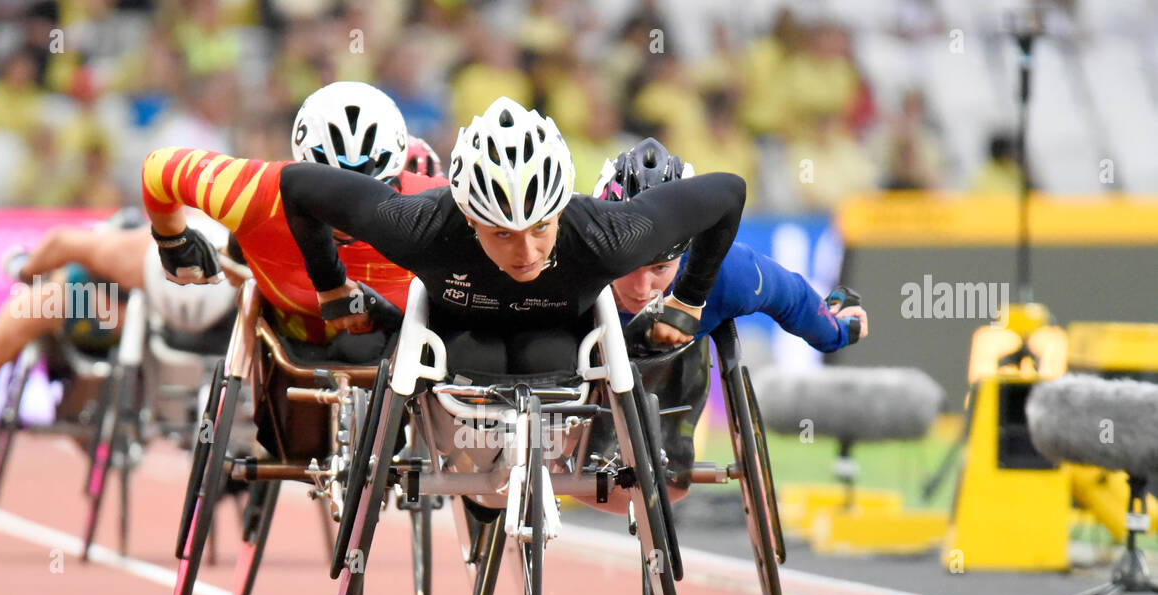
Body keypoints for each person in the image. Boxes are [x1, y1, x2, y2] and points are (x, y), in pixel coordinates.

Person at [162, 96, 746, 378]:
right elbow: (297, 186)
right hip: (459, 339)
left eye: (540, 229)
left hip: (559, 340)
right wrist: (331, 288)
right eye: (500, 233)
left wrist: (690, 297)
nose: (525, 253)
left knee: (548, 355)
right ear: (467, 217)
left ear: (563, 209)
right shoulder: (418, 223)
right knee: (451, 353)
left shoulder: (611, 236)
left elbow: (728, 191)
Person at [141, 81, 446, 363]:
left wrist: (173, 240)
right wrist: (173, 242)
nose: (350, 217)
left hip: (400, 356)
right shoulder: (256, 192)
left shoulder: (437, 202)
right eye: (330, 202)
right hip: (289, 354)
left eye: (370, 198)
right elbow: (159, 170)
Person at [0, 210, 236, 480]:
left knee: (2, 346)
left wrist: (23, 269)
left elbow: (57, 244)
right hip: (157, 320)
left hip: (99, 307)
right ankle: (92, 435)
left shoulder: (82, 272)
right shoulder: (148, 258)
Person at [593, 138, 868, 351]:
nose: (641, 289)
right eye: (629, 265)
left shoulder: (728, 274)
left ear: (688, 249)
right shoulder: (572, 259)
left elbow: (792, 297)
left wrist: (839, 330)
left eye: (660, 268)